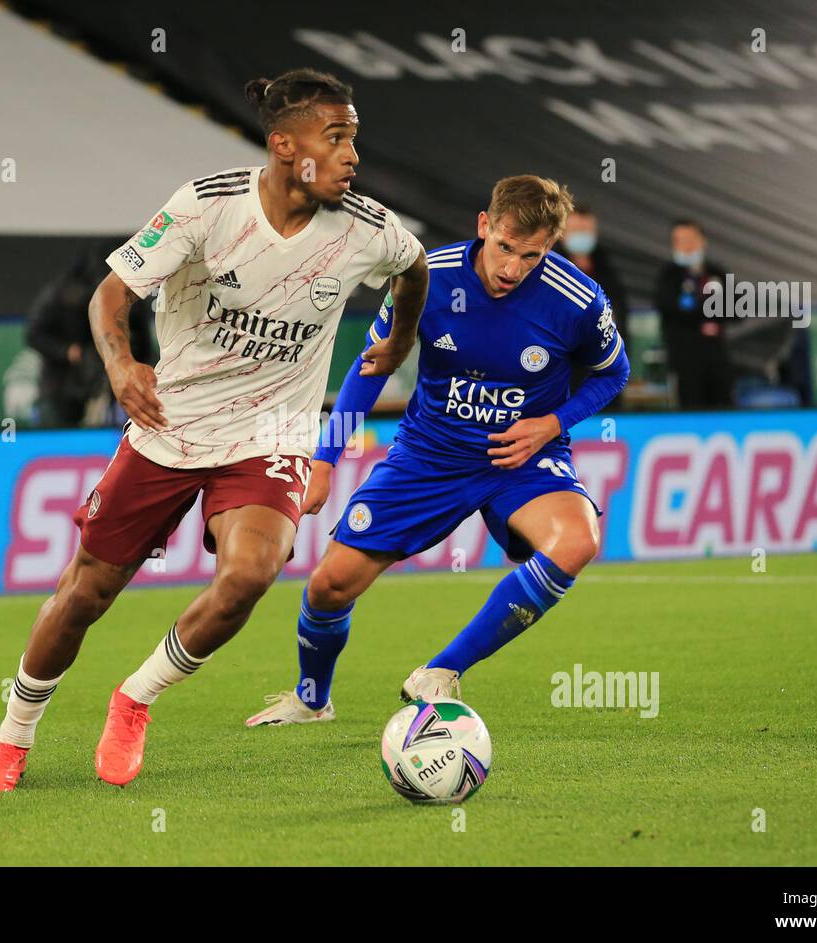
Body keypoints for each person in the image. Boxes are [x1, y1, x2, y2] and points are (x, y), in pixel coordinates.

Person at [0, 68, 428, 791]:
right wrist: (121, 367)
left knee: (249, 574)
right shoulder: (207, 207)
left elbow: (414, 267)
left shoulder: (367, 229)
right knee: (85, 593)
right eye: (335, 137)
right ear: (283, 145)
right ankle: (12, 736)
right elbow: (113, 291)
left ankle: (135, 698)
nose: (351, 155)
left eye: (354, 138)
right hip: (171, 425)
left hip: (273, 432)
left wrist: (397, 342)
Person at [246, 174, 629, 727]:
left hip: (517, 461)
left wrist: (553, 422)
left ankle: (443, 671)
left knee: (578, 540)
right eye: (504, 248)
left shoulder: (577, 300)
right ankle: (312, 699)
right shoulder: (427, 277)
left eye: (531, 255)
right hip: (429, 456)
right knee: (329, 587)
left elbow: (613, 373)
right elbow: (372, 363)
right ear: (484, 226)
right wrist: (326, 460)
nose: (511, 269)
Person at [24, 244, 156, 427]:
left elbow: (144, 344)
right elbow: (34, 334)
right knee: (58, 435)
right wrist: (67, 351)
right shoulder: (61, 294)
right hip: (61, 384)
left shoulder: (130, 297)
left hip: (106, 378)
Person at [558, 202, 629, 412]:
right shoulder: (549, 269)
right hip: (563, 374)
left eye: (586, 230)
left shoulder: (608, 271)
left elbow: (620, 319)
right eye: (577, 230)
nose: (582, 235)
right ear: (561, 232)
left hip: (603, 373)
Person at [655, 220, 733, 409]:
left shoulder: (716, 273)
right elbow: (673, 309)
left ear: (702, 241)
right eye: (680, 241)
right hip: (685, 363)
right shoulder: (668, 277)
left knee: (723, 414)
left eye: (691, 239)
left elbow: (735, 308)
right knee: (691, 414)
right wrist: (706, 316)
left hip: (717, 361)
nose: (687, 246)